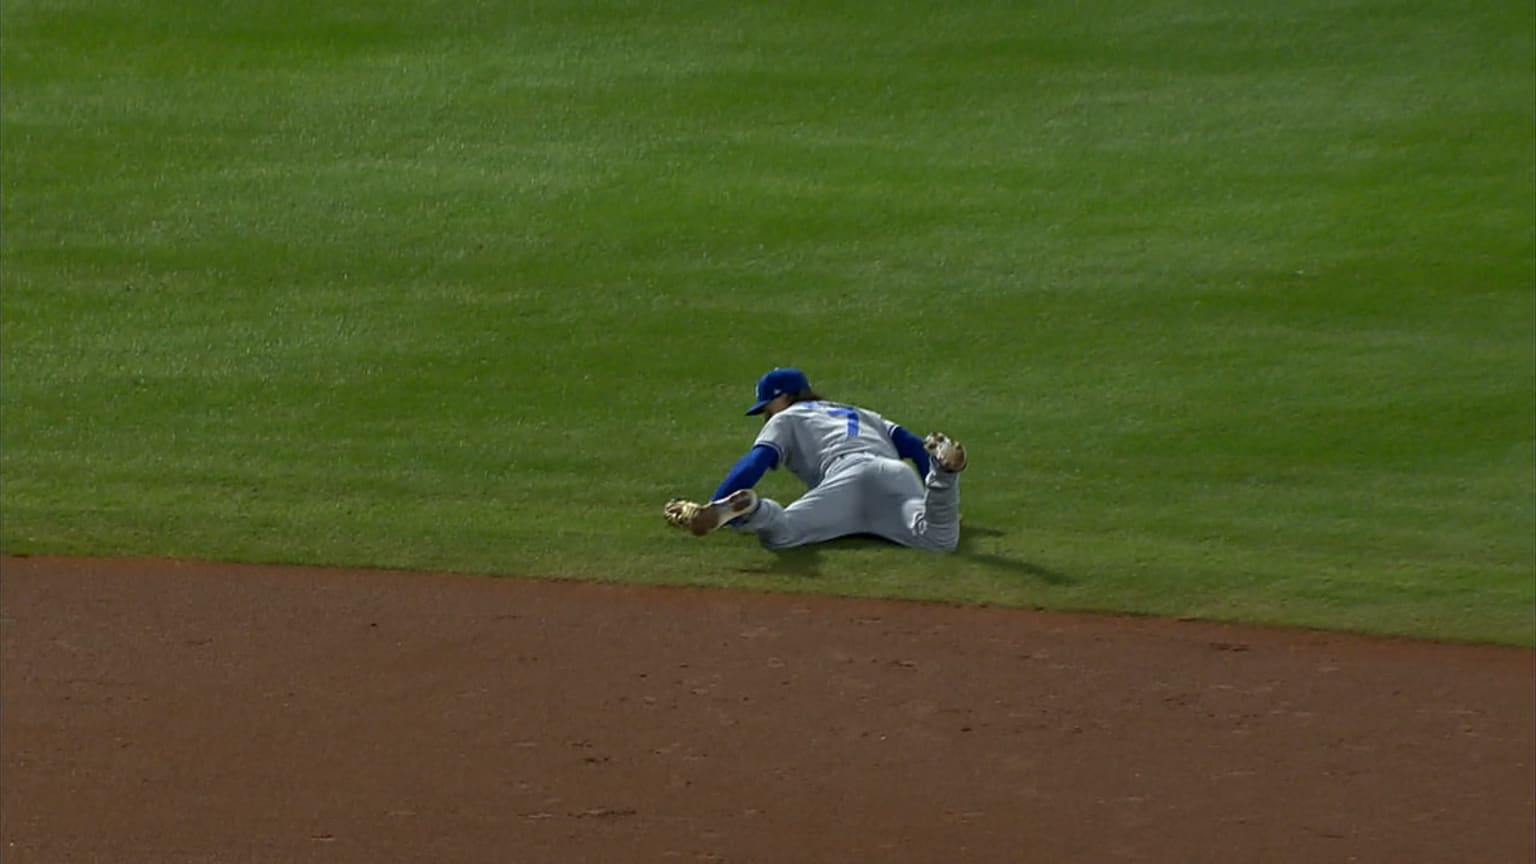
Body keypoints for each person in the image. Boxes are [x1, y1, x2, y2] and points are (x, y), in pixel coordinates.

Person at [663, 367, 967, 552]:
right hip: (893, 473)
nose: (766, 413)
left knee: (782, 533)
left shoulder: (787, 417)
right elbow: (915, 447)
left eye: (767, 406)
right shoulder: (858, 412)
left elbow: (754, 462)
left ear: (784, 398)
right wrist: (932, 490)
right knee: (938, 539)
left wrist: (712, 504)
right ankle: (944, 479)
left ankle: (755, 509)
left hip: (845, 479)